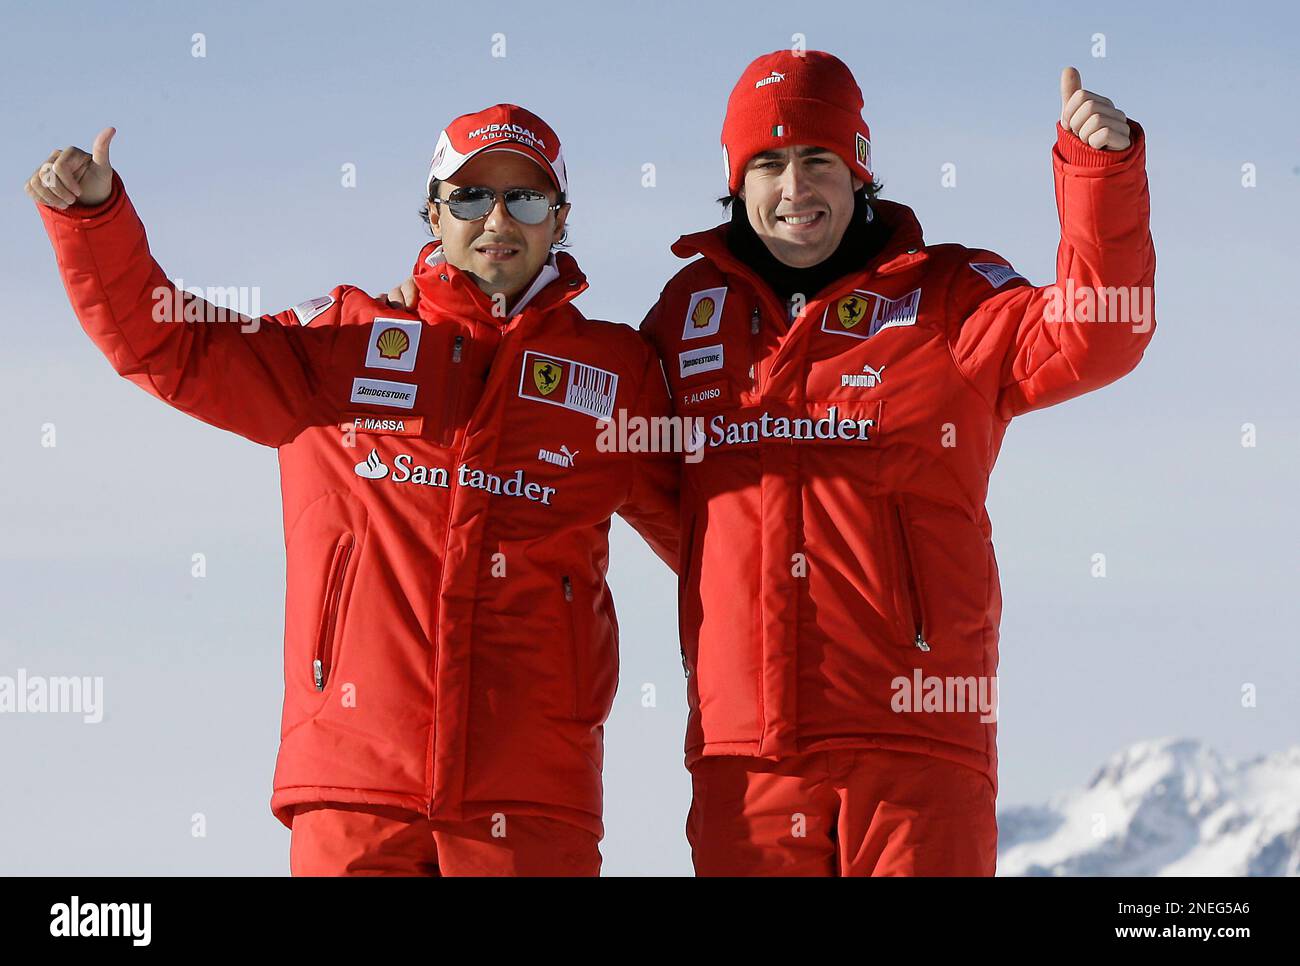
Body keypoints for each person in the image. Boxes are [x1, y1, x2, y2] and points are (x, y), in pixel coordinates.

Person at [26, 103, 679, 876]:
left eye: (526, 198)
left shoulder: (614, 372)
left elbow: (717, 536)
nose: (497, 219)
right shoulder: (345, 341)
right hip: (355, 782)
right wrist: (95, 221)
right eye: (469, 197)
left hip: (533, 793)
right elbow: (173, 348)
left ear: (559, 218)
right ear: (433, 213)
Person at [636, 50, 1156, 875]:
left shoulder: (949, 294)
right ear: (736, 182)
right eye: (767, 164)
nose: (794, 188)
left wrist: (1100, 174)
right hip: (746, 756)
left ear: (860, 169)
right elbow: (644, 478)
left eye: (818, 160)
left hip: (917, 745)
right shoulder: (685, 317)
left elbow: (1097, 335)